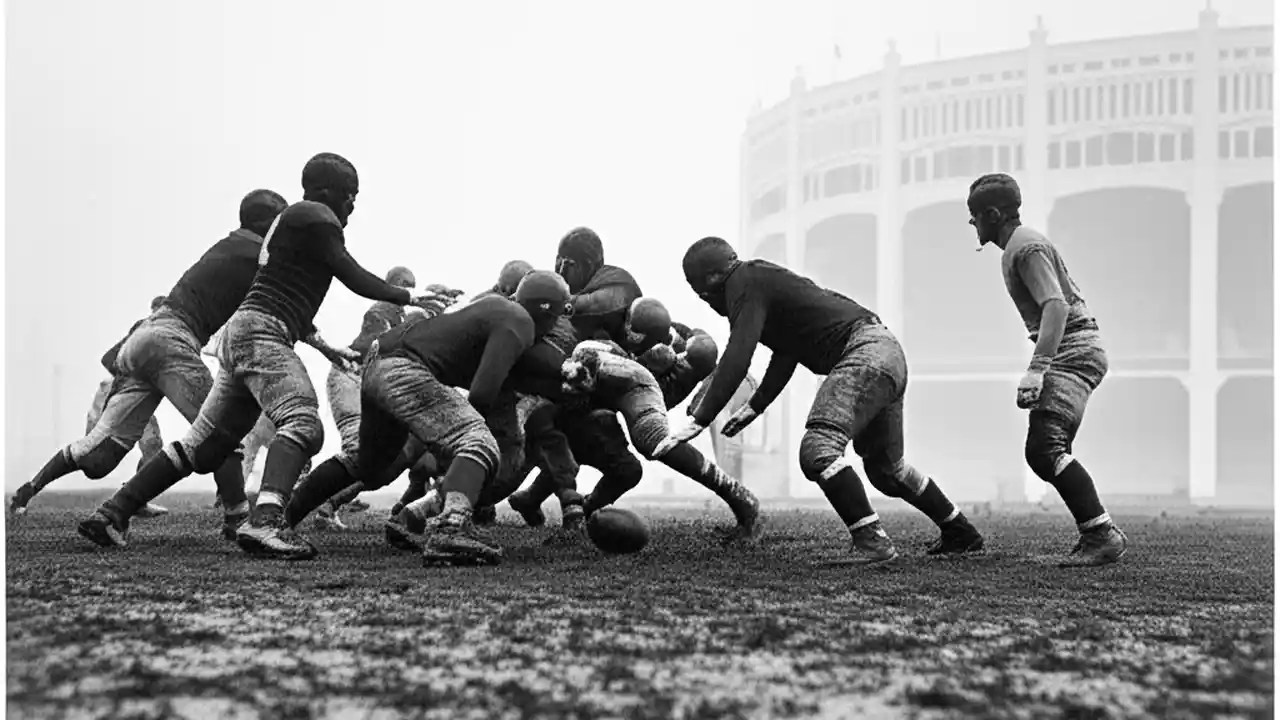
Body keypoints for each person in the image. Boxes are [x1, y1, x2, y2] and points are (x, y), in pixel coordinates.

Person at [77, 153, 453, 559]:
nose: (353, 206)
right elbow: (349, 272)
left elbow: (283, 293)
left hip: (247, 332)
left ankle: (114, 511)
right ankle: (266, 522)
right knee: (304, 424)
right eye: (350, 195)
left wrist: (328, 347)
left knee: (203, 444)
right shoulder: (314, 215)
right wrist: (408, 296)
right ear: (328, 191)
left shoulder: (292, 227)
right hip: (263, 333)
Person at [670, 236, 984, 564]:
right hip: (886, 352)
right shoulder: (761, 282)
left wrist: (700, 418)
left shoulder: (744, 280)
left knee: (818, 450)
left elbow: (738, 352)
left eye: (700, 292)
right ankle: (960, 531)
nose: (705, 301)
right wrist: (756, 405)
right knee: (887, 470)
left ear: (713, 278)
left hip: (865, 352)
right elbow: (787, 350)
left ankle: (872, 542)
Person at [15, 190, 289, 526]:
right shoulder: (256, 254)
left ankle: (31, 489)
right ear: (267, 222)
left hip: (143, 342)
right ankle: (236, 517)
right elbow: (279, 301)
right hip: (173, 340)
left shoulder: (229, 247)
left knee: (99, 454)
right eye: (281, 222)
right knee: (221, 433)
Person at [289, 271, 572, 565]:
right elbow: (482, 394)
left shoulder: (495, 308)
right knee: (477, 441)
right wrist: (460, 459)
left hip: (378, 365)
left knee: (369, 465)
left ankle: (283, 519)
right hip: (405, 367)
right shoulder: (519, 321)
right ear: (551, 310)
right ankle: (451, 528)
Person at [966, 173, 1127, 567]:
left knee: (1044, 450)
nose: (971, 223)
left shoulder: (1024, 247)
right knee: (1049, 450)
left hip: (1072, 349)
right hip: (1076, 347)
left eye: (974, 215)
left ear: (992, 213)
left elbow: (1055, 304)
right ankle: (1098, 531)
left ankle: (1101, 535)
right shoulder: (1023, 245)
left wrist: (1038, 369)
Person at [560, 337, 760, 538]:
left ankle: (737, 494)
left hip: (628, 382)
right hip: (611, 379)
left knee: (653, 441)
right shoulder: (574, 341)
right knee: (565, 440)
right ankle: (575, 510)